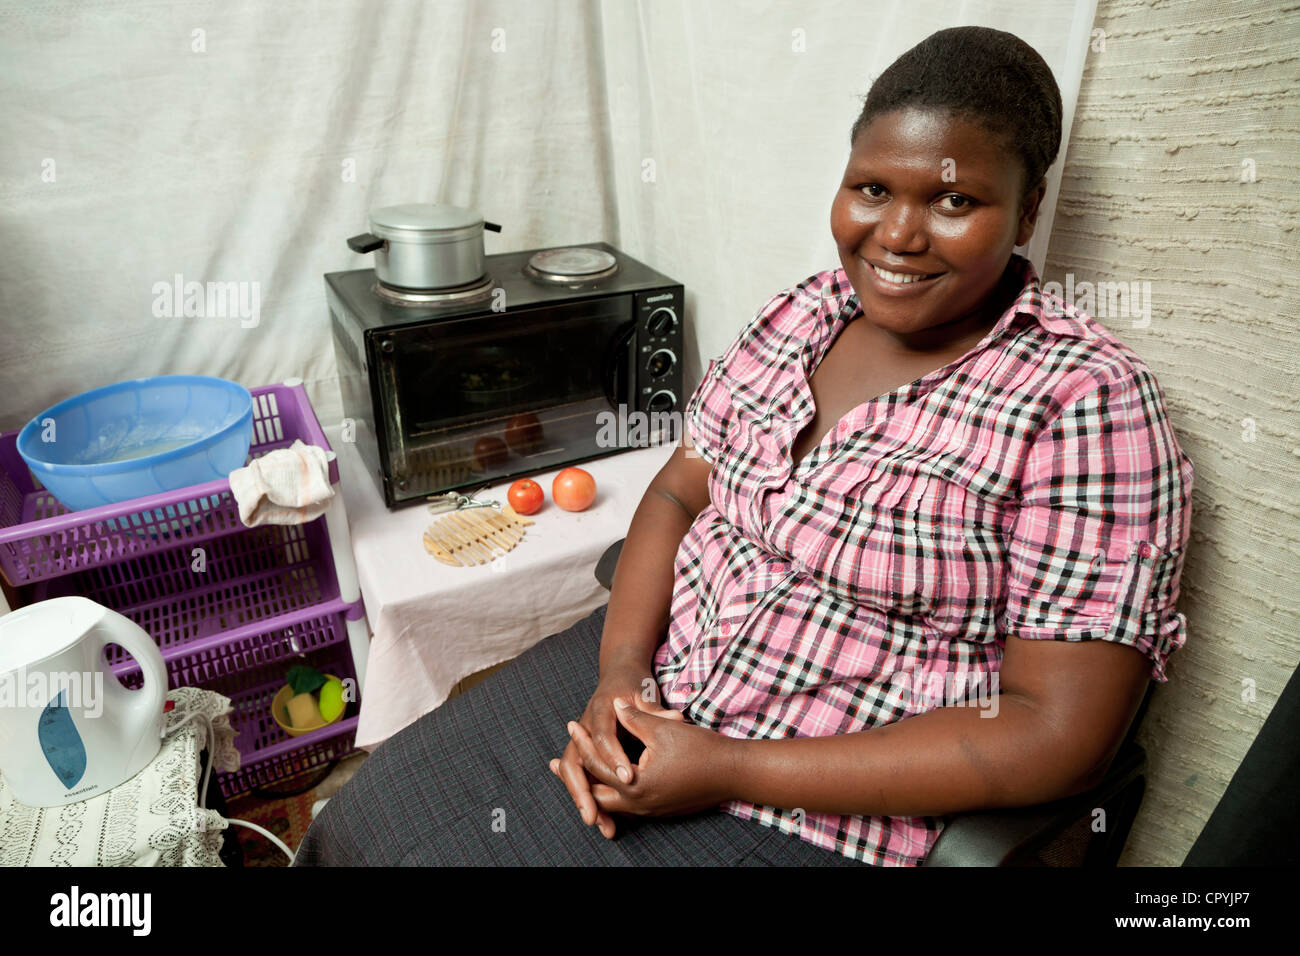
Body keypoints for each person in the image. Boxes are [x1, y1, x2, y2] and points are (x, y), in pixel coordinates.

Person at [295, 25, 1193, 867]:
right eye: (873, 188)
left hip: (816, 795)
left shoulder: (1088, 404)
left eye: (955, 201)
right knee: (365, 822)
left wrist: (724, 766)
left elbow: (1057, 734)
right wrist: (618, 678)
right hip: (646, 684)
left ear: (1027, 211)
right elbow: (681, 495)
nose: (899, 234)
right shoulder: (801, 313)